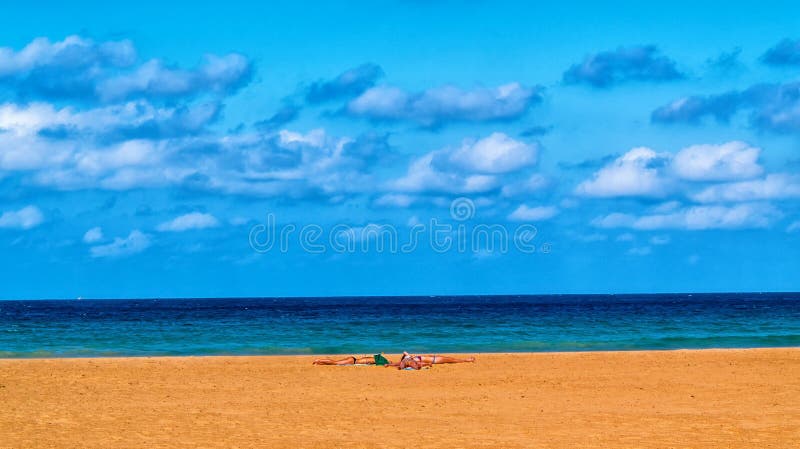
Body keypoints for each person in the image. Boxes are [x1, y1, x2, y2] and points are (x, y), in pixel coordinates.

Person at [389, 351, 475, 370]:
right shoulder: (413, 361)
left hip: (434, 357)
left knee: (451, 359)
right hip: (434, 359)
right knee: (452, 360)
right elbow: (419, 365)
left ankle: (467, 360)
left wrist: (403, 357)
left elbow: (404, 354)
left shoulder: (409, 359)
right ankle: (468, 360)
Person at [312, 354, 391, 366]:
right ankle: (318, 360)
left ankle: (319, 362)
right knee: (335, 362)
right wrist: (389, 363)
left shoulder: (377, 358)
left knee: (335, 362)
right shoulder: (380, 361)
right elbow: (384, 364)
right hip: (353, 361)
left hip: (353, 359)